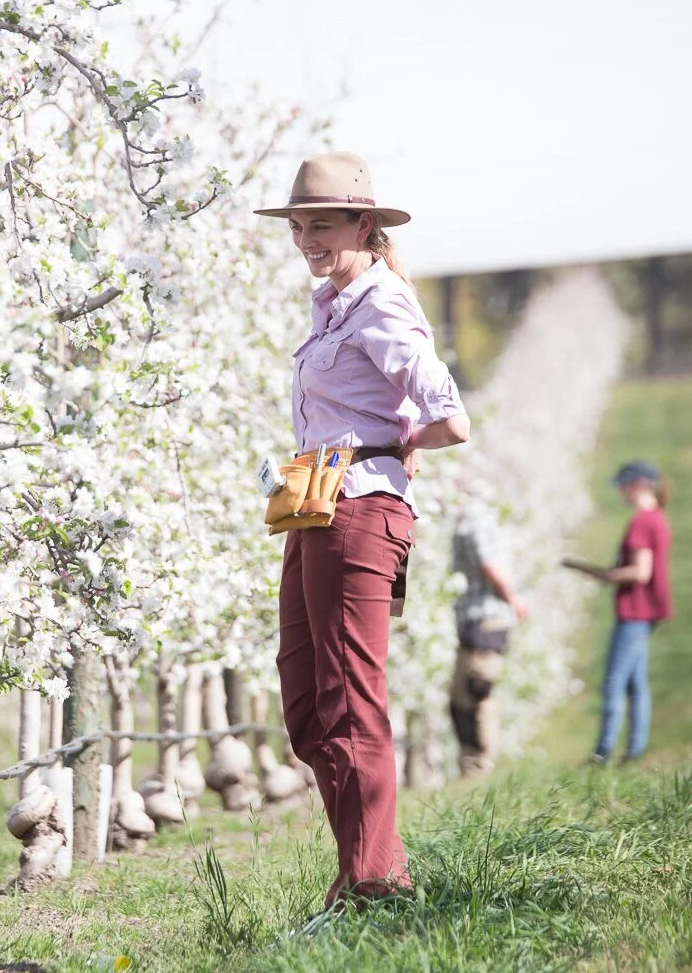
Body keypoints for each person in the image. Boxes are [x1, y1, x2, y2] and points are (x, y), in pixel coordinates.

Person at [255, 152, 470, 910]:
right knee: (309, 702)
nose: (308, 237)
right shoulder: (334, 302)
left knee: (351, 697)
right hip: (314, 506)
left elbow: (450, 415)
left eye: (324, 224)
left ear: (364, 223)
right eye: (300, 225)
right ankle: (373, 868)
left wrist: (402, 441)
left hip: (358, 509)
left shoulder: (380, 303)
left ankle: (372, 883)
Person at [563, 460, 672, 765]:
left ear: (636, 485)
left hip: (635, 610)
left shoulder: (642, 522)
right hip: (647, 611)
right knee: (637, 685)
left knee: (614, 683)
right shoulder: (657, 519)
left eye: (623, 487)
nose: (621, 493)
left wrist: (606, 575)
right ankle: (634, 750)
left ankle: (603, 751)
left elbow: (641, 571)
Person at [448, 499, 529, 778]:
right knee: (463, 695)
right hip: (478, 619)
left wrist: (512, 599)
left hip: (486, 618)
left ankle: (478, 767)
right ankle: (470, 767)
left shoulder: (475, 522)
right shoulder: (479, 521)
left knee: (477, 691)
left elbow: (488, 564)